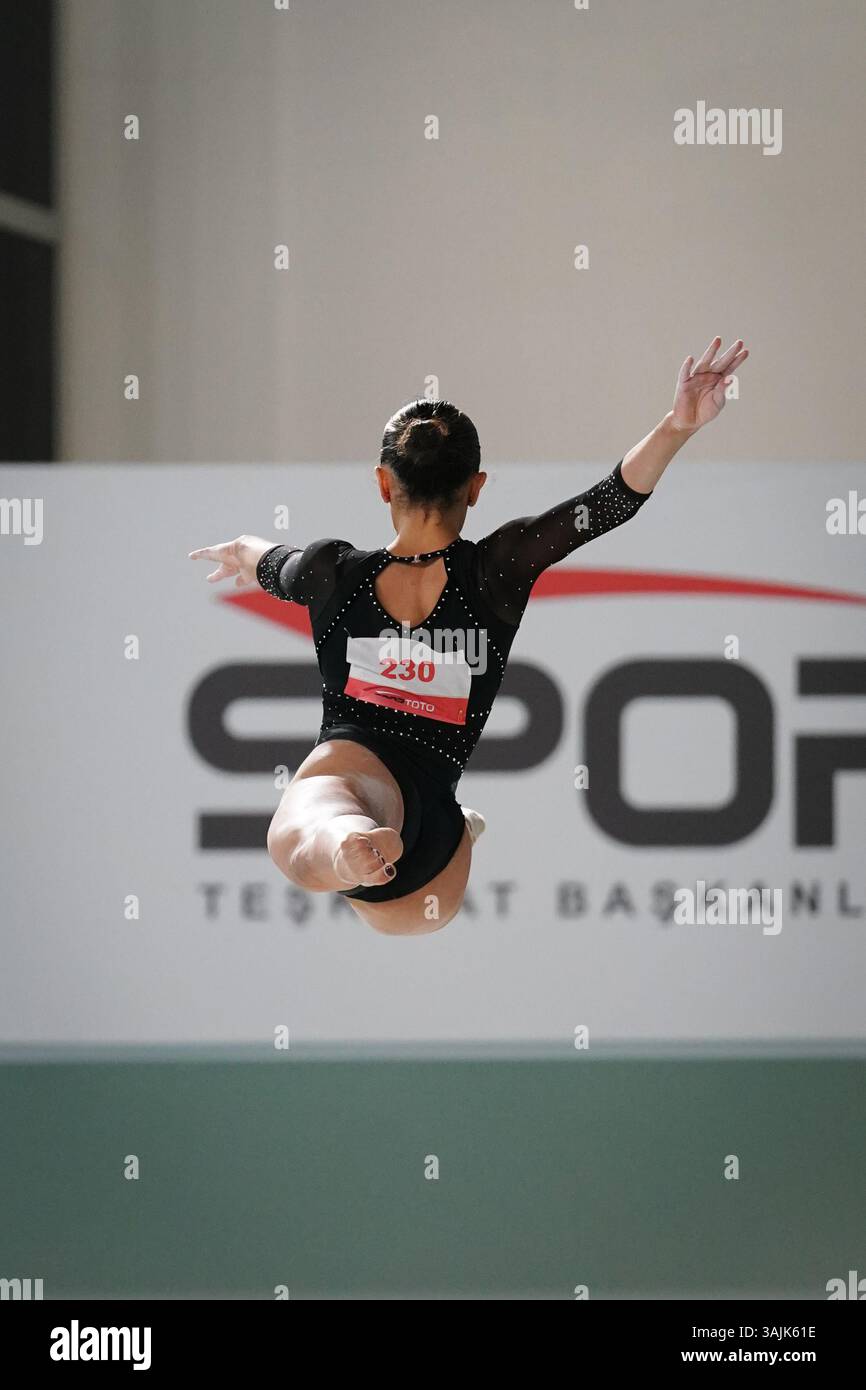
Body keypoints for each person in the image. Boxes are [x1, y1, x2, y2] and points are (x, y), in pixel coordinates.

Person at [191, 336, 748, 936]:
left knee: (302, 830)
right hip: (432, 846)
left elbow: (263, 558)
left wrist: (238, 551)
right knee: (406, 918)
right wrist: (677, 423)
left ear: (384, 484)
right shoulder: (497, 570)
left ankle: (342, 840)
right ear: (476, 487)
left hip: (354, 774)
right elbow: (608, 503)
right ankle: (405, 835)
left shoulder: (332, 571)